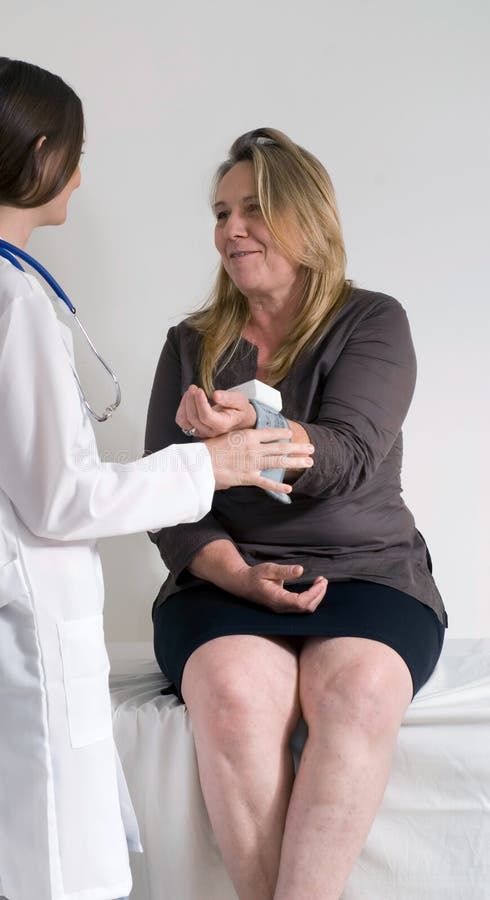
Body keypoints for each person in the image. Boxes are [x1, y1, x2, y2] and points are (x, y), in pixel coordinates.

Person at [0, 67, 315, 900]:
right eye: (76, 155)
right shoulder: (6, 298)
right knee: (63, 878)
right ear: (43, 154)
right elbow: (61, 499)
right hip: (20, 640)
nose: (81, 178)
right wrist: (214, 465)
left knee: (21, 874)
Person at [145, 127, 447, 900]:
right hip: (227, 581)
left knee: (357, 693)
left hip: (368, 574)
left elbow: (348, 454)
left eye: (254, 209)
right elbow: (169, 500)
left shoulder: (373, 322)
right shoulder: (190, 344)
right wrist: (236, 575)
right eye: (222, 213)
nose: (232, 229)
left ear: (307, 219)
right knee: (235, 696)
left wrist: (250, 427)